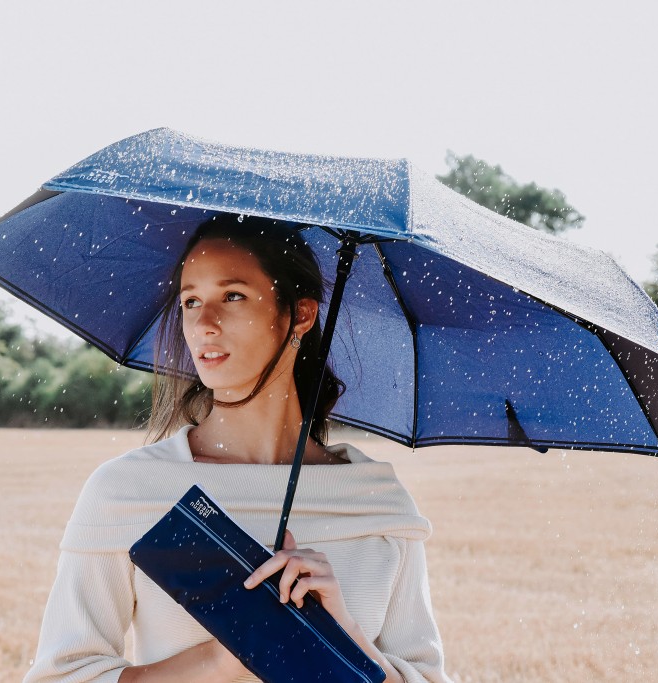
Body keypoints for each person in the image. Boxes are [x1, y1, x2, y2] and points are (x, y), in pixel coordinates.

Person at [23, 215, 452, 683]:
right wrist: (223, 657)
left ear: (300, 315)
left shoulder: (376, 499)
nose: (204, 323)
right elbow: (62, 676)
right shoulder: (128, 491)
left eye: (232, 296)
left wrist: (342, 636)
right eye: (190, 301)